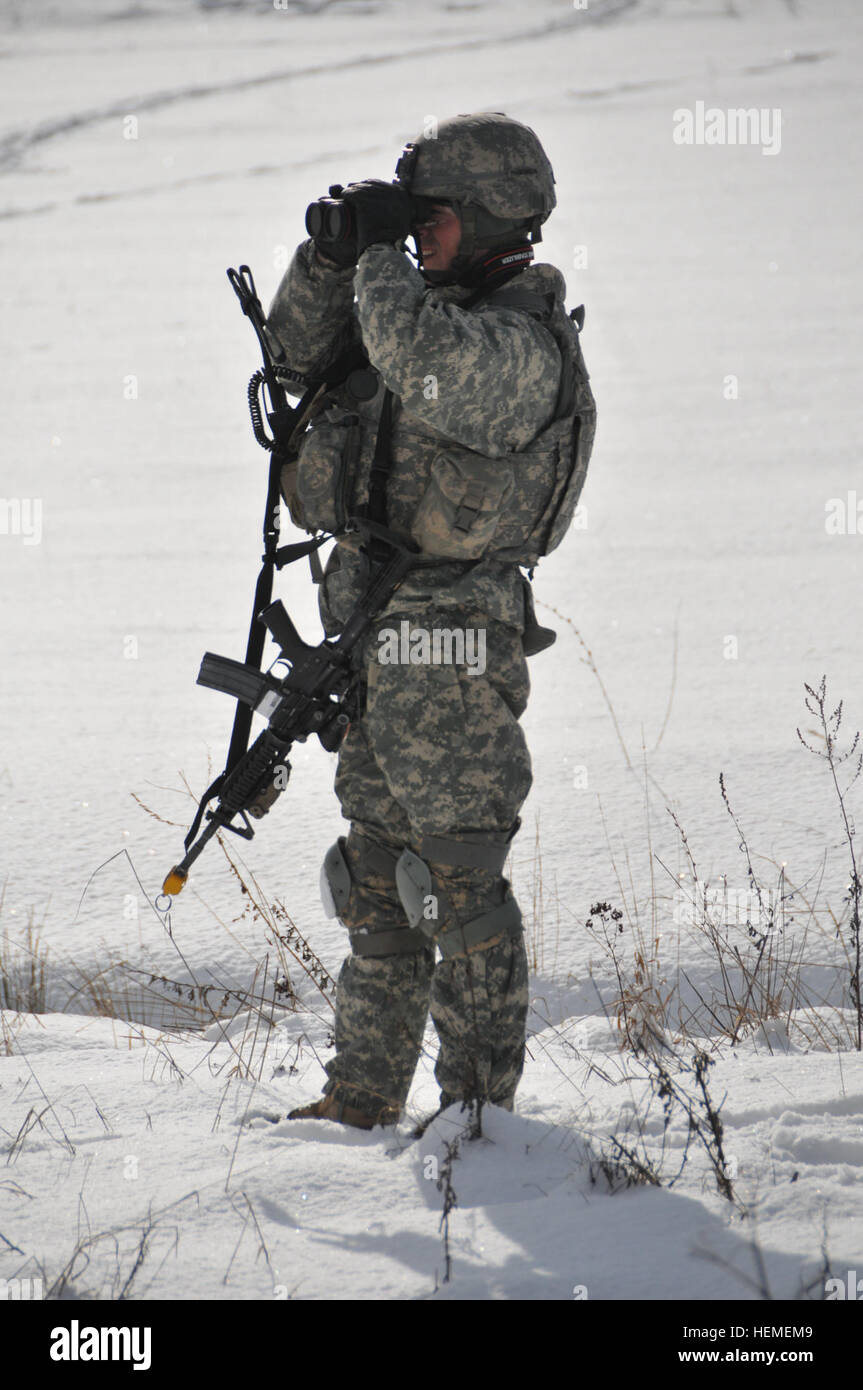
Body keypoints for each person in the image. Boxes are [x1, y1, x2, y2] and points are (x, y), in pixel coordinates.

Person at [264, 112, 595, 1130]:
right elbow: (293, 356)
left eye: (433, 216)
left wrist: (375, 257)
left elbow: (420, 358)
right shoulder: (413, 302)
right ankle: (360, 1094)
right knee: (376, 877)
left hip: (452, 639)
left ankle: (477, 1117)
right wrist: (330, 258)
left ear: (493, 215)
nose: (417, 236)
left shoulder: (515, 346)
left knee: (457, 881)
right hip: (371, 631)